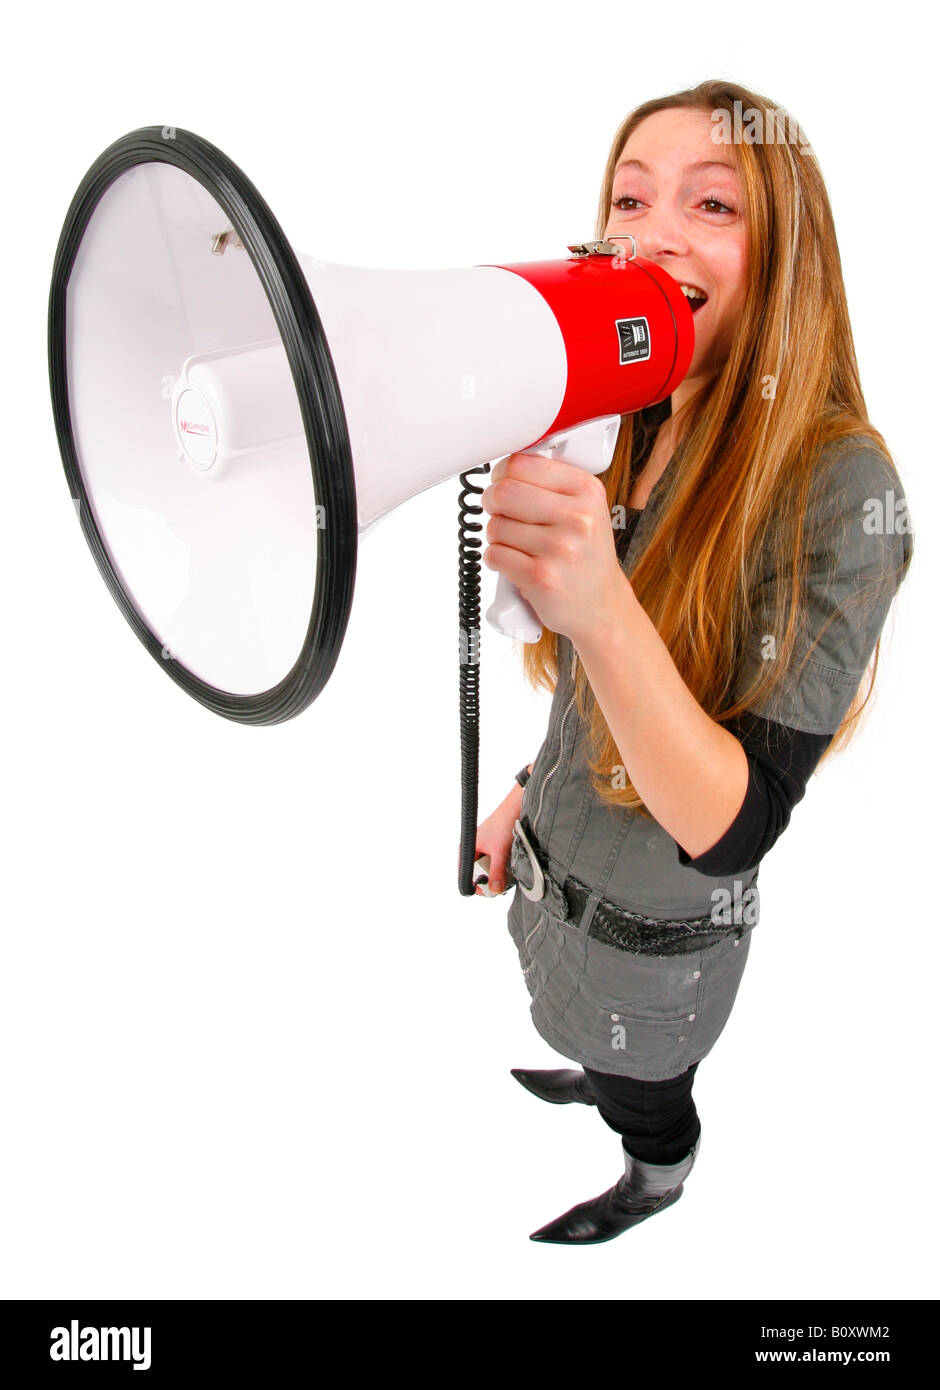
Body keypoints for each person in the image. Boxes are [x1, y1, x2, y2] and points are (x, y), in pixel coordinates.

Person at [472, 80, 915, 1245]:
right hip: (555, 883)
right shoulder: (634, 417)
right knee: (579, 1035)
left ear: (781, 259)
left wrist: (600, 603)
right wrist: (525, 794)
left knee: (639, 1079)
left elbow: (732, 825)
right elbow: (588, 694)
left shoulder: (843, 488)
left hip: (649, 949)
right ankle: (599, 1073)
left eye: (710, 203)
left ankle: (653, 1164)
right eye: (628, 199)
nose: (652, 232)